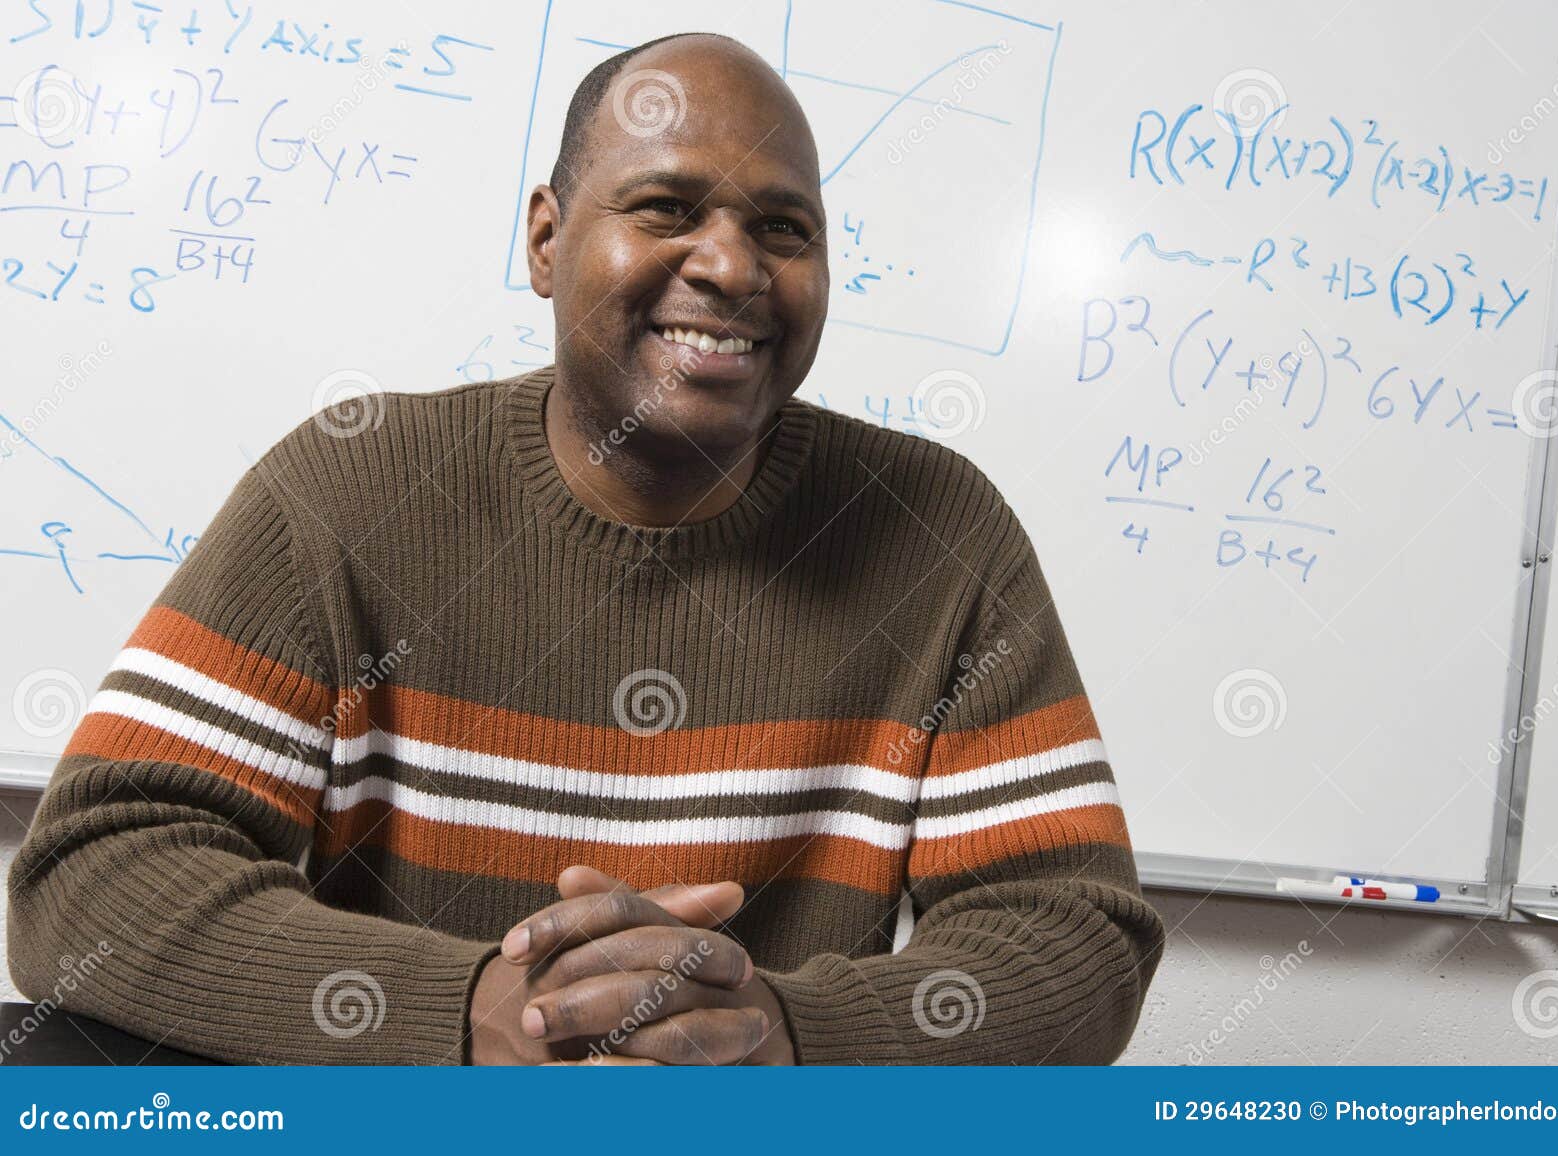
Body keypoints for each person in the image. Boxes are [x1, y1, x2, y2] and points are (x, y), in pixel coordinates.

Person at [6, 31, 1163, 1065]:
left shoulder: (939, 530)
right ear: (548, 241)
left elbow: (1074, 937)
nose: (730, 266)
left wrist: (787, 1036)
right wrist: (466, 1009)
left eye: (783, 227)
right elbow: (91, 874)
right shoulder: (348, 485)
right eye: (665, 208)